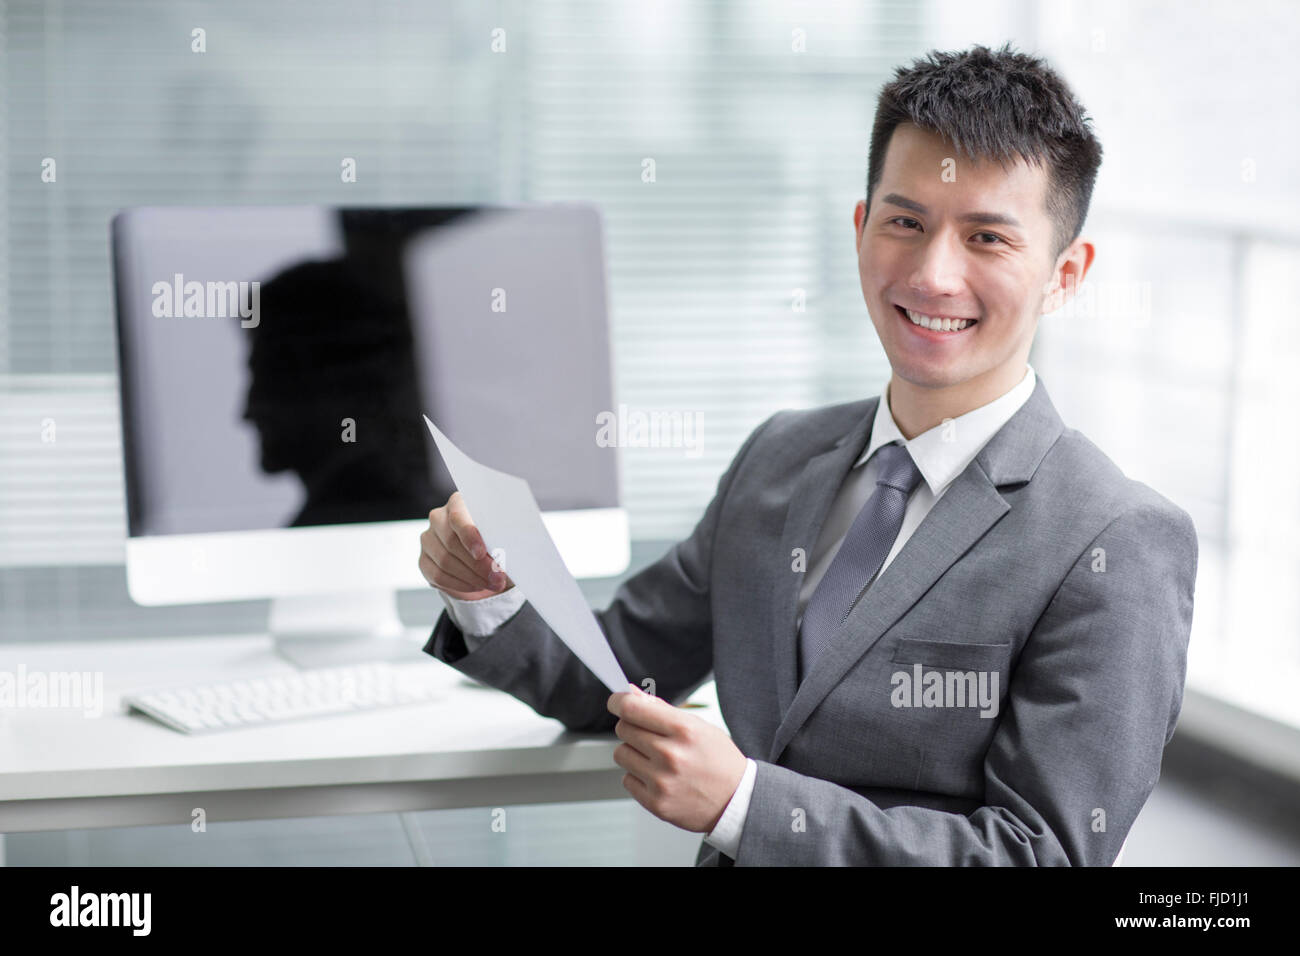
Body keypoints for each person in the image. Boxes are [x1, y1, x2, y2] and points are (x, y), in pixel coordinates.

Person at [417, 43, 1198, 866]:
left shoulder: (1117, 540)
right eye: (906, 222)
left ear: (1065, 275)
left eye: (988, 238)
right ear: (861, 230)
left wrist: (746, 807)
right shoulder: (782, 456)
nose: (934, 275)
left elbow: (1039, 855)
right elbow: (615, 679)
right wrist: (487, 595)